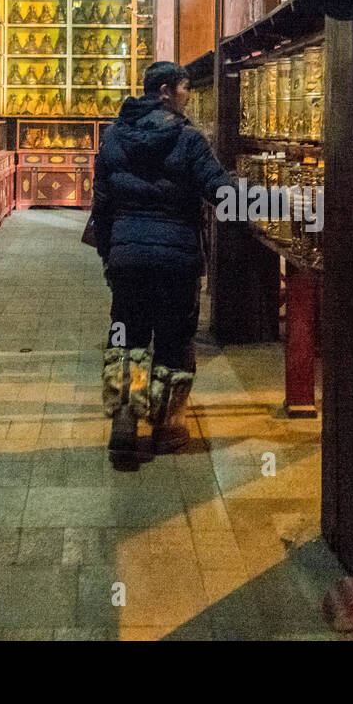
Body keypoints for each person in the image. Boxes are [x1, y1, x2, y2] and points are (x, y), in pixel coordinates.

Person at [92, 61, 232, 469]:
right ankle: (167, 425)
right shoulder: (189, 140)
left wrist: (110, 255)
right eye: (186, 90)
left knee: (128, 335)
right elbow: (221, 192)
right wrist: (271, 200)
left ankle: (124, 423)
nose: (188, 97)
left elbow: (102, 206)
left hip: (128, 258)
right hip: (176, 260)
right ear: (169, 90)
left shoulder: (113, 136)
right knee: (173, 338)